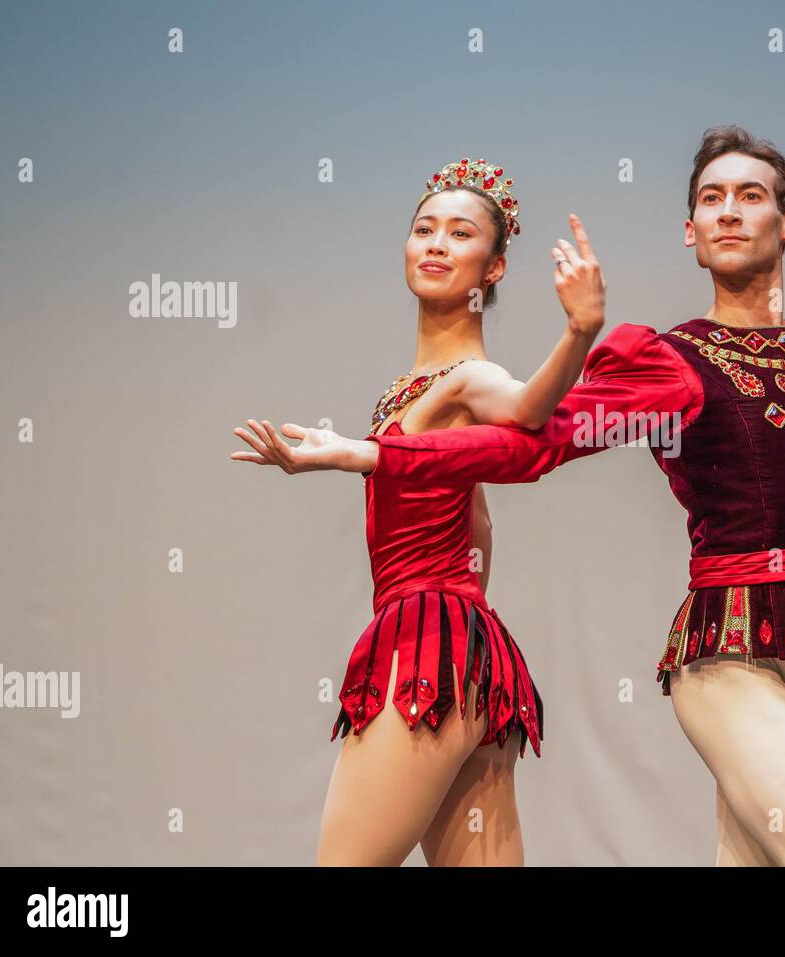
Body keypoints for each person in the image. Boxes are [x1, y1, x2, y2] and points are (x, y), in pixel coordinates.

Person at [263, 127, 785, 866]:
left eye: (750, 197)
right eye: (712, 200)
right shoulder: (675, 367)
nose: (729, 212)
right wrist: (373, 453)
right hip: (730, 658)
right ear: (691, 231)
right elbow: (538, 445)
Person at [230, 156, 606, 866]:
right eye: (424, 228)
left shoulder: (470, 379)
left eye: (461, 234)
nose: (436, 243)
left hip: (425, 646)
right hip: (469, 653)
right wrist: (468, 630)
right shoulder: (411, 387)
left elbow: (527, 410)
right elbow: (482, 525)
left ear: (493, 268)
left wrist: (580, 331)